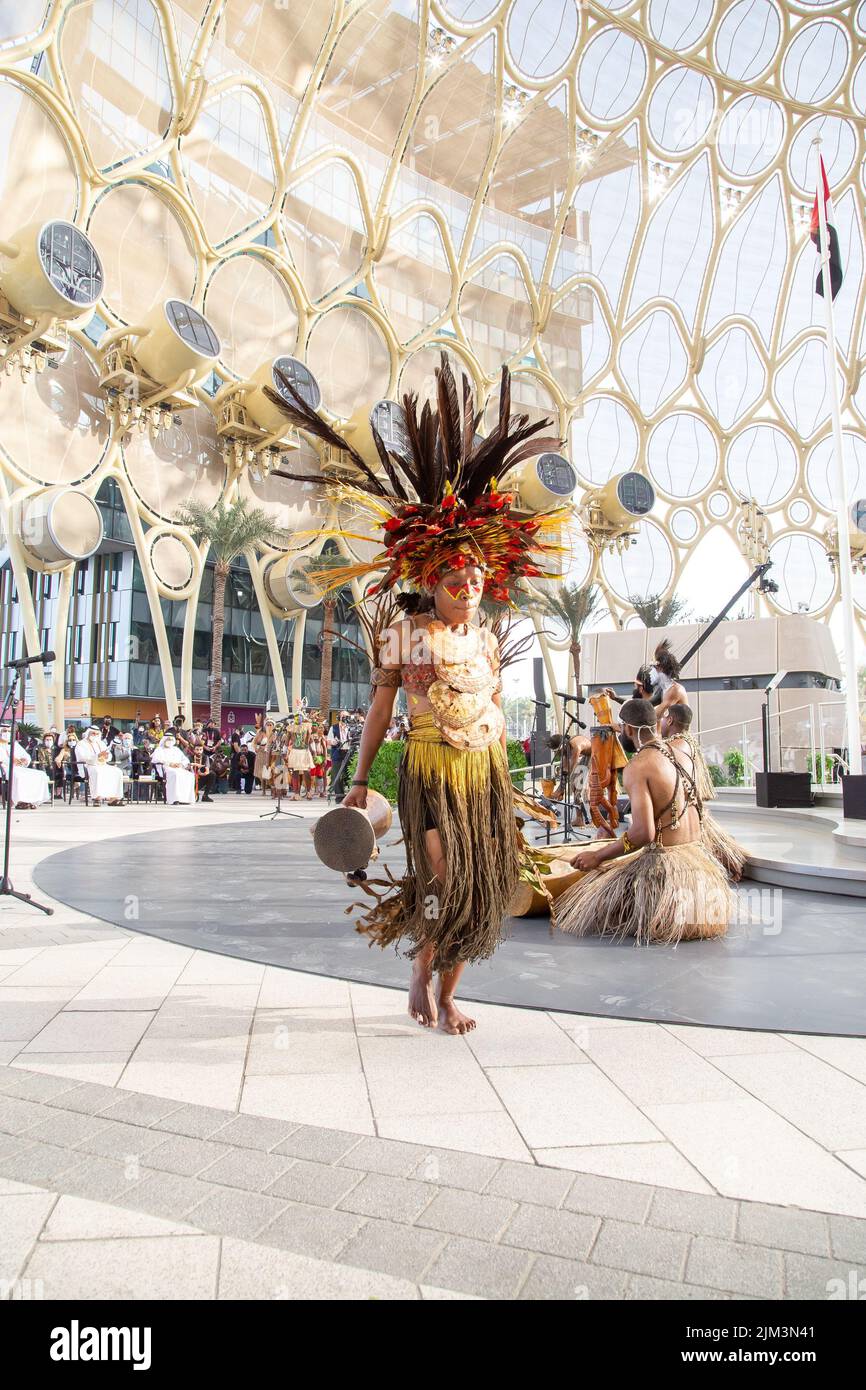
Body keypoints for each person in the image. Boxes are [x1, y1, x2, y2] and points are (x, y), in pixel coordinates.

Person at [266, 351, 569, 1033]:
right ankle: (422, 977)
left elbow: (494, 708)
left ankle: (448, 987)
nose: (467, 592)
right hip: (429, 772)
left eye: (476, 582)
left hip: (483, 774)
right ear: (430, 578)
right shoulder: (406, 636)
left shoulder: (490, 638)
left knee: (485, 887)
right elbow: (380, 709)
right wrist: (356, 774)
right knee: (444, 882)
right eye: (455, 582)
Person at [554, 698, 731, 944]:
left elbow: (643, 834)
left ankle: (656, 914)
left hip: (666, 875)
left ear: (628, 729)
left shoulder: (638, 766)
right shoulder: (684, 751)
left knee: (576, 903)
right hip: (701, 875)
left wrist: (598, 856)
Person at [660, 703, 747, 881]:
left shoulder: (675, 746)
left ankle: (728, 864)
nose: (659, 722)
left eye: (662, 719)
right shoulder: (688, 741)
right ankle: (729, 861)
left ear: (669, 720)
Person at [0, 726, 51, 808]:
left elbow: (26, 756)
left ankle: (33, 801)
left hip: (19, 768)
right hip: (5, 768)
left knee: (40, 774)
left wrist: (25, 760)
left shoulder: (14, 744)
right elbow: (2, 759)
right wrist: (11, 761)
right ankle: (20, 801)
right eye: (4, 731)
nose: (7, 733)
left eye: (9, 731)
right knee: (18, 776)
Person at [75, 727, 124, 805]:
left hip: (102, 764)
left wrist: (107, 756)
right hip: (88, 766)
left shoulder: (101, 743)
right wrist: (97, 756)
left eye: (97, 734)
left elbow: (109, 755)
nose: (95, 735)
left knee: (118, 771)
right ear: (88, 733)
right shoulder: (81, 744)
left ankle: (114, 798)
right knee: (97, 771)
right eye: (93, 733)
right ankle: (97, 798)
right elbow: (82, 757)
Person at [149, 732, 195, 804]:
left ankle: (185, 799)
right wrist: (170, 764)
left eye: (171, 739)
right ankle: (174, 799)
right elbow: (156, 759)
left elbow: (185, 759)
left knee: (189, 775)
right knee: (175, 774)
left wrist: (181, 764)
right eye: (168, 739)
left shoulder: (176, 749)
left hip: (178, 768)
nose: (169, 741)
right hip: (166, 768)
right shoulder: (159, 749)